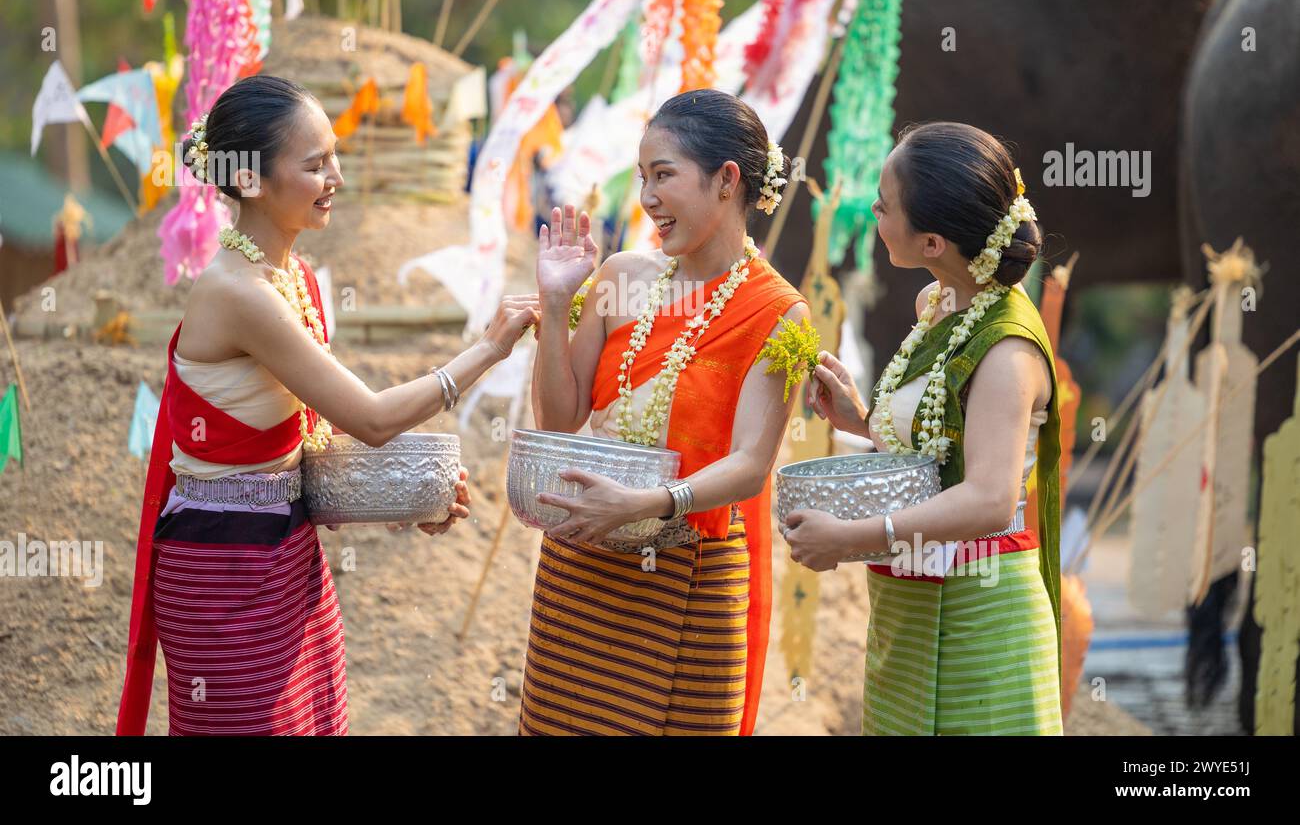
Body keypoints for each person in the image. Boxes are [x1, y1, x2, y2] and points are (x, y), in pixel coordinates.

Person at [117, 75, 541, 736]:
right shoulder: (237, 293)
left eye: (333, 157)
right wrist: (487, 351)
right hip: (223, 568)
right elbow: (370, 419)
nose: (336, 176)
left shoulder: (291, 278)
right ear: (252, 181)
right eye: (315, 164)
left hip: (286, 552)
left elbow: (315, 437)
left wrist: (414, 496)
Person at [521, 89, 810, 735]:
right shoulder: (621, 276)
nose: (646, 197)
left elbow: (750, 466)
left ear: (726, 180)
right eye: (644, 175)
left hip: (688, 574)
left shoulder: (779, 311)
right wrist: (554, 302)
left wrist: (645, 504)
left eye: (663, 175)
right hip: (583, 559)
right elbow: (558, 421)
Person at [785, 121, 1064, 735]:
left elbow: (990, 499)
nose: (874, 213)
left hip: (982, 608)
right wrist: (859, 419)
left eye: (884, 207)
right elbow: (940, 455)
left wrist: (854, 536)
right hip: (909, 598)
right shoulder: (938, 303)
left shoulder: (1005, 351)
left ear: (932, 241)